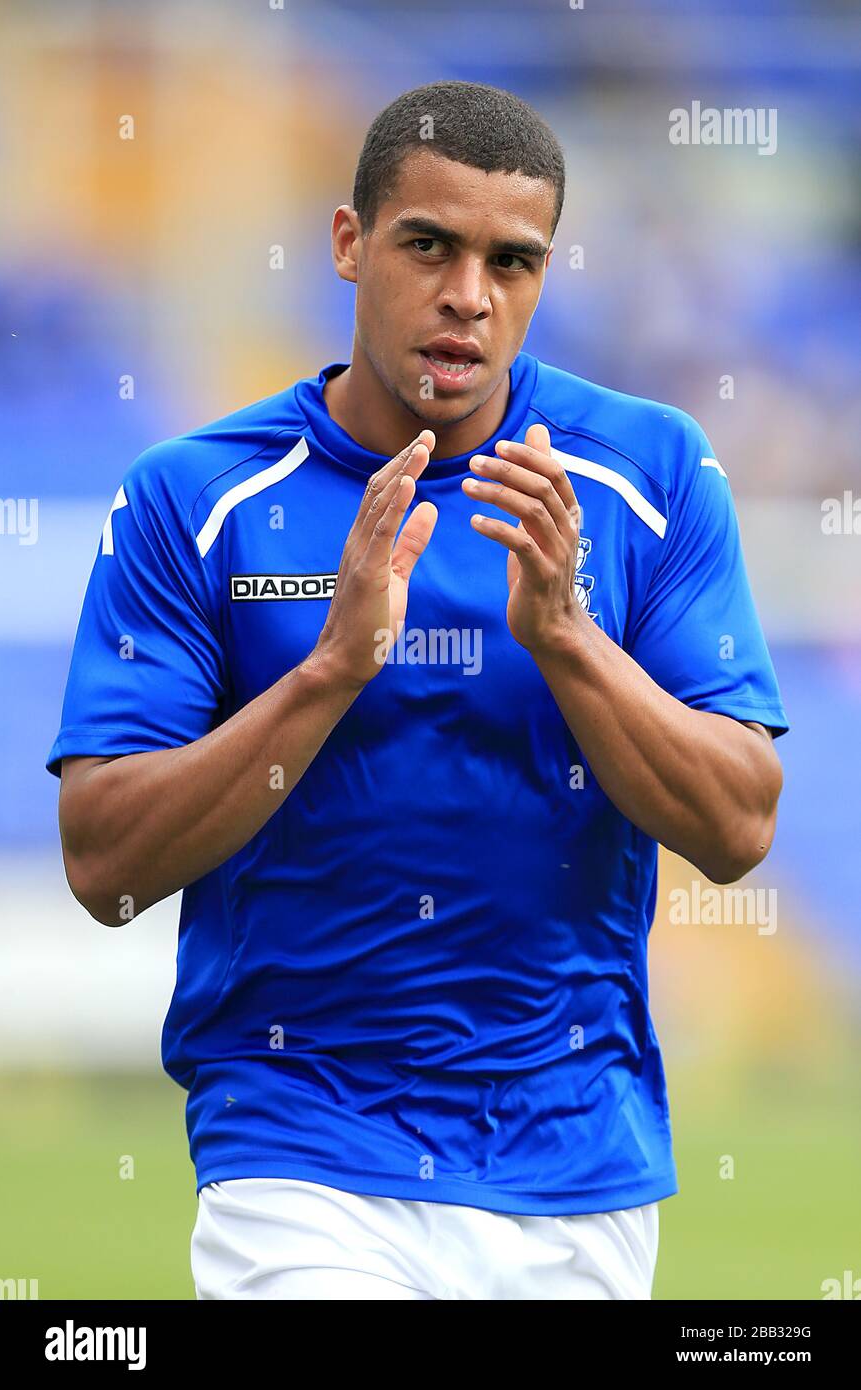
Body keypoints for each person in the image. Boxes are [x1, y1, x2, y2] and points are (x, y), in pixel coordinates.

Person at [47, 80, 787, 1300]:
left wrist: (564, 638)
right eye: (428, 245)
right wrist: (331, 671)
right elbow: (104, 864)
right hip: (298, 1153)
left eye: (512, 260)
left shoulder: (649, 474)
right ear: (348, 244)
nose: (467, 295)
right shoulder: (196, 495)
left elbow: (736, 826)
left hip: (571, 1172)